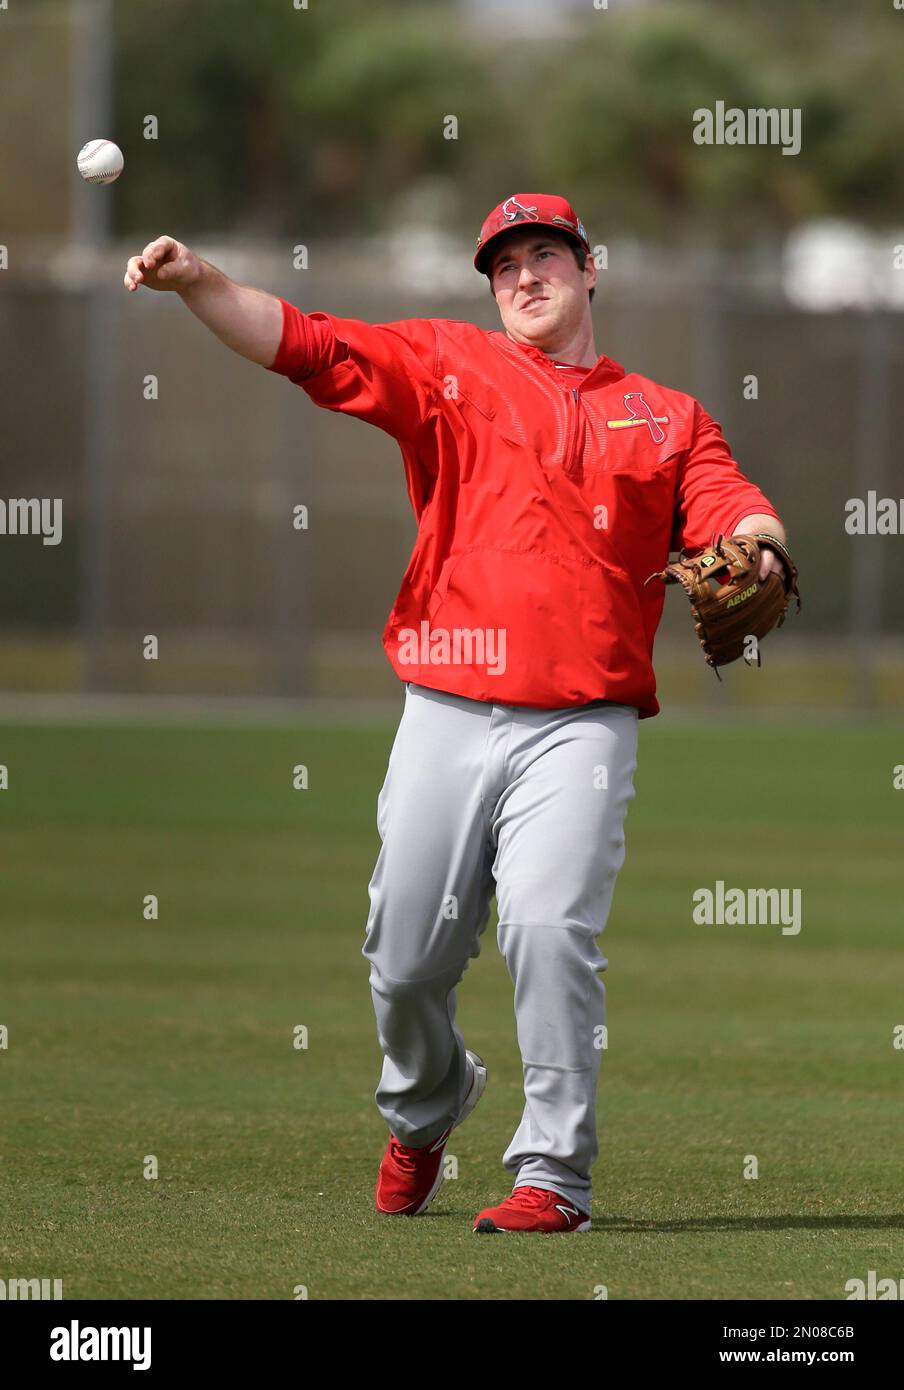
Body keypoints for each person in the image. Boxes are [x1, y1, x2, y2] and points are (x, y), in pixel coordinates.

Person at [124, 193, 787, 1234]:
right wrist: (198, 282)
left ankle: (554, 1179)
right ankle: (427, 1103)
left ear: (589, 267)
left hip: (582, 720)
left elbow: (732, 506)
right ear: (490, 286)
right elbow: (302, 341)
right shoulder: (447, 365)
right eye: (505, 264)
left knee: (548, 927)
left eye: (546, 256)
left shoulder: (667, 414)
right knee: (404, 961)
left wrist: (765, 544)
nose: (525, 276)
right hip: (445, 704)